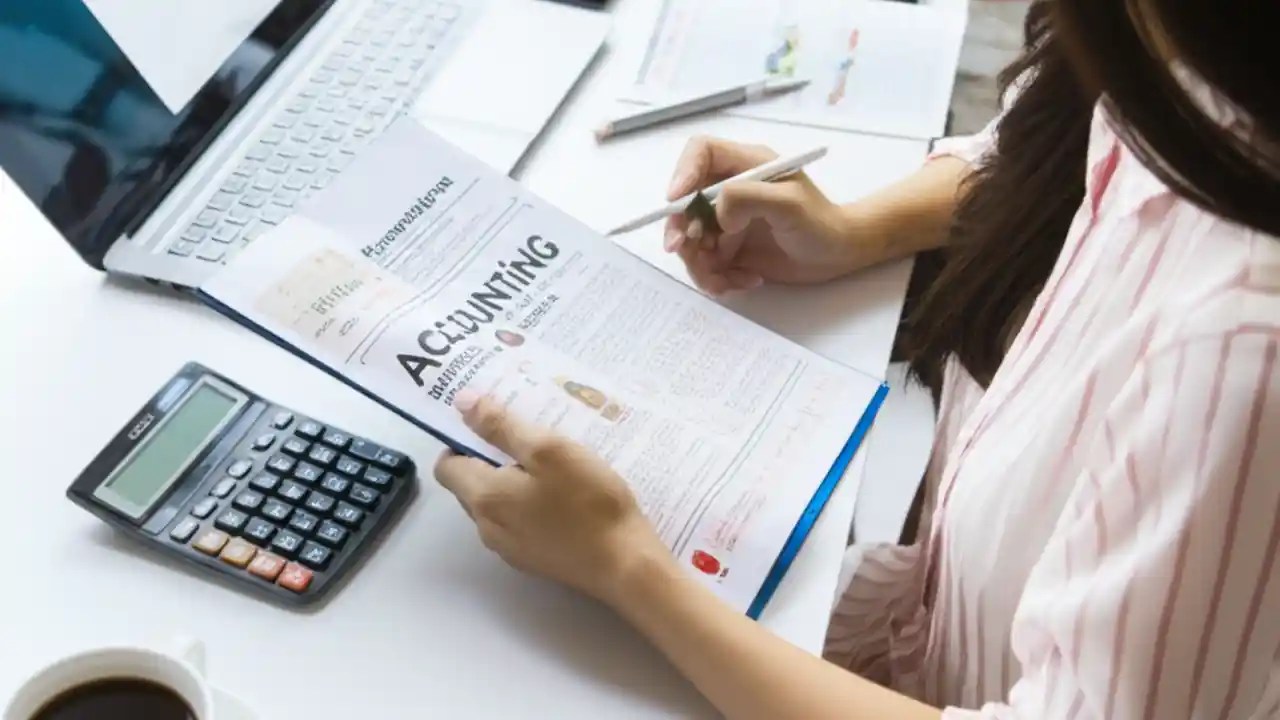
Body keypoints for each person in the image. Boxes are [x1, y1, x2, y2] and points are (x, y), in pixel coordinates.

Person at [434, 1, 1280, 716]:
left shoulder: (1244, 340)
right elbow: (1051, 145)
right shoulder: (1178, 58)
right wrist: (858, 230)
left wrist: (628, 570)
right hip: (917, 629)